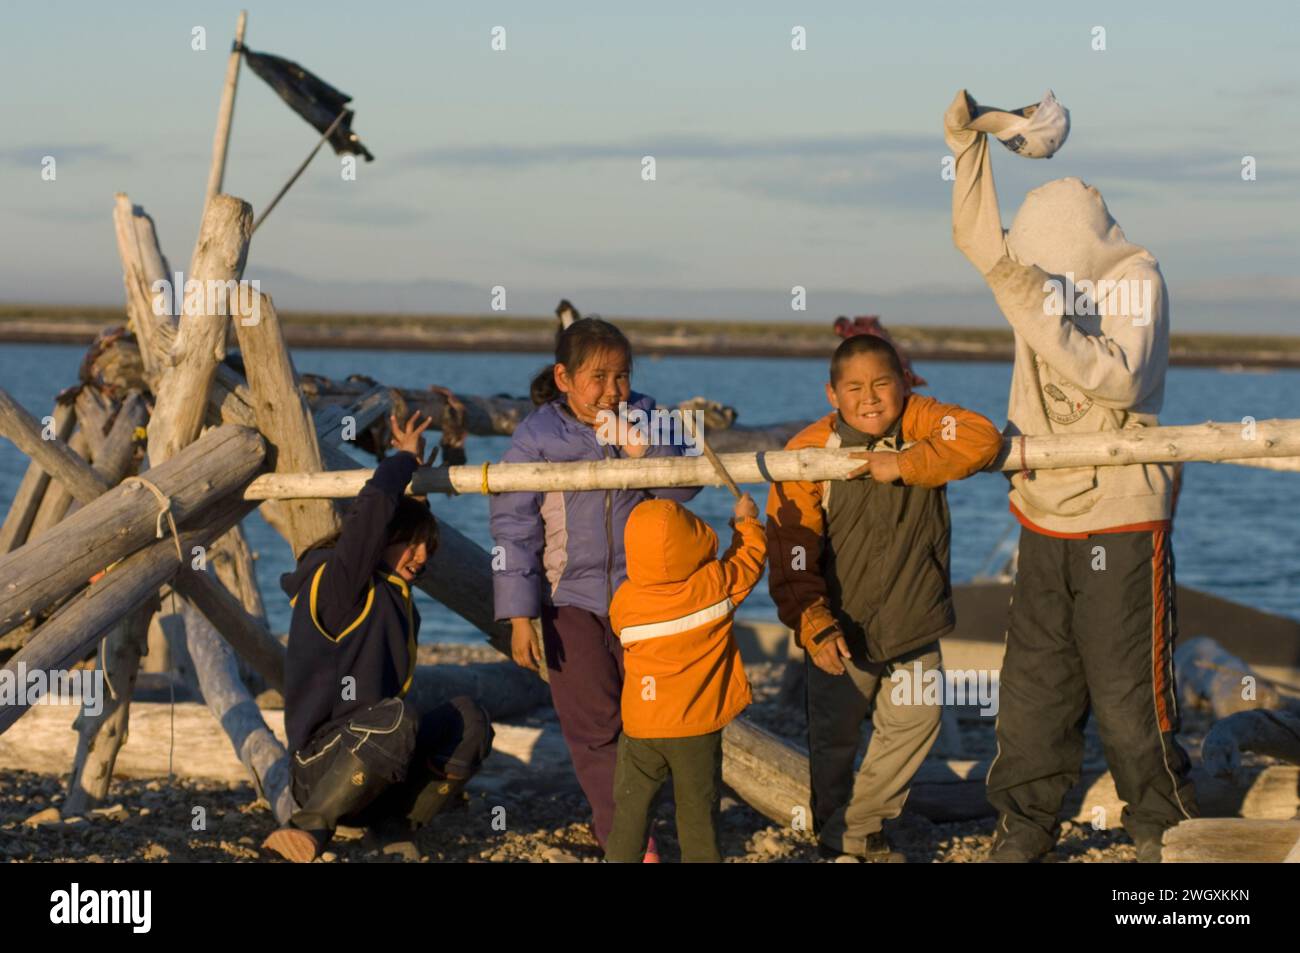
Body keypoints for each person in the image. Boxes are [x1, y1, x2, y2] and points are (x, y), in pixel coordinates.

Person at [944, 88, 1198, 862]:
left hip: (1122, 513)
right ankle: (1024, 825)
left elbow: (1118, 382)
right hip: (1044, 511)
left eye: (1040, 263)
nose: (1027, 275)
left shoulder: (1135, 281)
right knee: (1033, 689)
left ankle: (1162, 828)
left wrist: (1038, 306)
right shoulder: (1034, 287)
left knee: (1129, 693)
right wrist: (968, 146)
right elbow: (981, 245)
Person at [766, 334, 1002, 861]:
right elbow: (791, 552)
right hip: (839, 628)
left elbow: (981, 436)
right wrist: (813, 621)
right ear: (832, 394)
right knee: (834, 740)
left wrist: (904, 464)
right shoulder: (808, 452)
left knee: (917, 722)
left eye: (882, 384)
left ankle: (852, 832)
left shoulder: (922, 426)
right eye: (854, 388)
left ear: (905, 385)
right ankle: (838, 830)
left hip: (913, 619)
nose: (869, 398)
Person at [490, 317, 700, 853]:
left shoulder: (651, 418)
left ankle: (627, 820)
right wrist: (519, 615)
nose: (612, 391)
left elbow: (689, 484)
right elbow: (514, 527)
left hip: (646, 600)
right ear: (564, 377)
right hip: (568, 602)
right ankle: (630, 840)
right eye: (598, 377)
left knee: (650, 721)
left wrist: (636, 448)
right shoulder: (537, 436)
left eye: (622, 377)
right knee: (593, 726)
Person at [263, 411, 494, 863]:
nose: (423, 556)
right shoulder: (340, 586)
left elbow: (398, 525)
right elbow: (371, 510)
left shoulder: (399, 599)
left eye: (430, 546)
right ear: (383, 538)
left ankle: (394, 826)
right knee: (396, 718)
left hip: (382, 767)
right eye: (413, 542)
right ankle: (308, 830)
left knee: (469, 720)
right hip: (320, 769)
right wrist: (402, 460)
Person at [605, 493, 766, 862]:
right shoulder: (714, 584)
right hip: (696, 726)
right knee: (697, 811)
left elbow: (621, 628)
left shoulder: (626, 600)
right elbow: (751, 560)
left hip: (642, 725)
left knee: (631, 811)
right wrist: (746, 524)